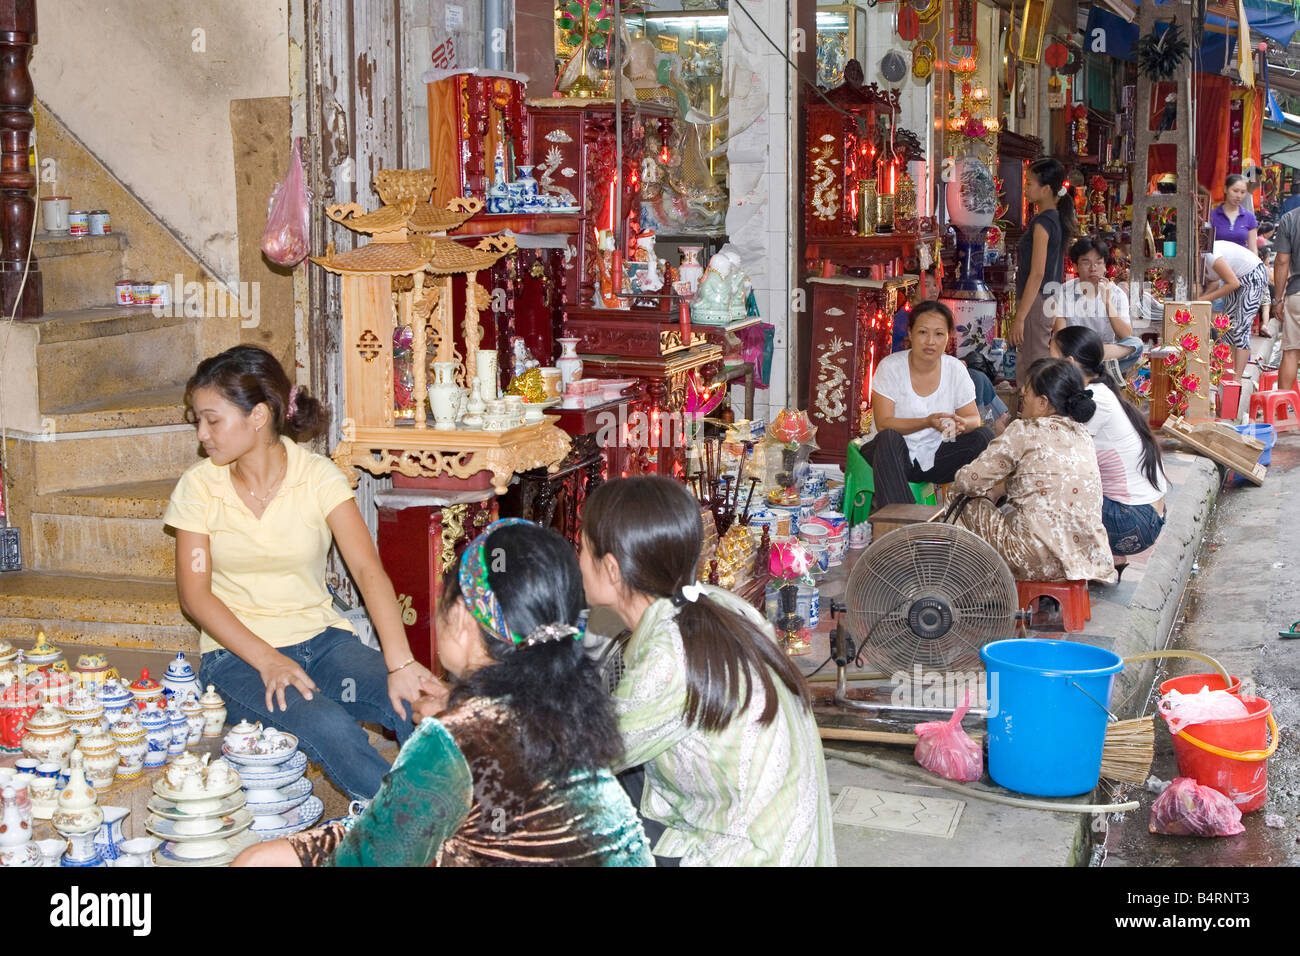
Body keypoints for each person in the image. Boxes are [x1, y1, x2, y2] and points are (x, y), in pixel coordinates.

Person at [232, 519, 654, 867]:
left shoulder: (454, 741)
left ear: (461, 617)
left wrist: (279, 855)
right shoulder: (573, 705)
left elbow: (367, 861)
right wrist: (457, 706)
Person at [164, 346, 438, 801]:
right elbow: (196, 596)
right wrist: (268, 660)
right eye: (198, 420)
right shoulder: (199, 487)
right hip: (238, 659)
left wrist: (401, 663)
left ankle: (447, 821)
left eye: (212, 420)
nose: (202, 434)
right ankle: (406, 829)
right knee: (331, 726)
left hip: (324, 642)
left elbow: (369, 573)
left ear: (257, 416)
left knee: (423, 699)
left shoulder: (317, 476)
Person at [580, 476, 835, 867]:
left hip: (749, 852)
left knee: (566, 805)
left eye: (582, 548)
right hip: (786, 840)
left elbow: (583, 754)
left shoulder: (670, 653)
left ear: (611, 569)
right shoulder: (715, 603)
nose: (577, 559)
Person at [949, 358, 1114, 583]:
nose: (1022, 397)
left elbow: (969, 481)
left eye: (1026, 393)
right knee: (1013, 509)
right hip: (1086, 561)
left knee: (959, 496)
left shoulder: (1024, 430)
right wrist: (1004, 487)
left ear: (1043, 403)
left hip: (1033, 561)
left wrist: (982, 489)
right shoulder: (1082, 434)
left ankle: (975, 588)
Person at [1051, 327, 1167, 579]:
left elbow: (1063, 457)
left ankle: (1095, 562)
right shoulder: (1099, 392)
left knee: (1054, 497)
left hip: (1135, 521)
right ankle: (1111, 558)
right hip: (1142, 515)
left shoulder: (1095, 400)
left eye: (1052, 360)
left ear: (1069, 363)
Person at [856, 300, 994, 511]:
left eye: (939, 334)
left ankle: (968, 514)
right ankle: (904, 527)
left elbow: (975, 419)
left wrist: (960, 423)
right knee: (888, 438)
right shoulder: (891, 367)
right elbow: (884, 423)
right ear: (910, 333)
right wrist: (927, 422)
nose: (930, 341)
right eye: (923, 332)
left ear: (948, 337)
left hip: (934, 455)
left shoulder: (955, 369)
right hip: (891, 456)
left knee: (983, 436)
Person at [1008, 157, 1075, 384]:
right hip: (1048, 297)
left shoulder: (1042, 223)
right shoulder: (1056, 219)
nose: (1025, 188)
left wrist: (1020, 316)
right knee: (1031, 358)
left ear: (1046, 189)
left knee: (1033, 363)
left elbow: (1036, 273)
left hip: (1036, 300)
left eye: (1029, 183)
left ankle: (1038, 413)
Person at [1051, 237, 1145, 376]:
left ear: (1105, 266)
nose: (1093, 269)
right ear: (1076, 266)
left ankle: (1091, 366)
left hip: (1104, 354)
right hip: (1075, 353)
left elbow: (1126, 335)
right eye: (1086, 263)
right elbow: (1060, 333)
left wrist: (1107, 302)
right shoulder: (1064, 291)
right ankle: (1088, 367)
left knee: (1137, 344)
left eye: (1098, 263)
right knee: (1056, 346)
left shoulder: (1117, 294)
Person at [1200, 239, 1269, 378]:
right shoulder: (1199, 262)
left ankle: (1237, 379)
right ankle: (1227, 373)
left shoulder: (1210, 255)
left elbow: (1233, 283)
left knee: (1240, 328)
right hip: (1236, 279)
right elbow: (1214, 281)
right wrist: (1200, 300)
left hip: (1253, 276)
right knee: (1227, 328)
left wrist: (1202, 299)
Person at [1270, 204, 1300, 394]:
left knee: (1291, 353)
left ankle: (1281, 407)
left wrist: (1277, 299)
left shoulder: (1290, 219)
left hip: (1297, 295)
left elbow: (1282, 261)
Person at [1210, 174, 1259, 254]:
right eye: (1235, 191)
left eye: (1243, 192)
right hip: (1218, 263)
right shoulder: (1212, 215)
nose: (1239, 196)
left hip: (1242, 264)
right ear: (1226, 189)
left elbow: (1253, 249)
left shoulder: (1249, 217)